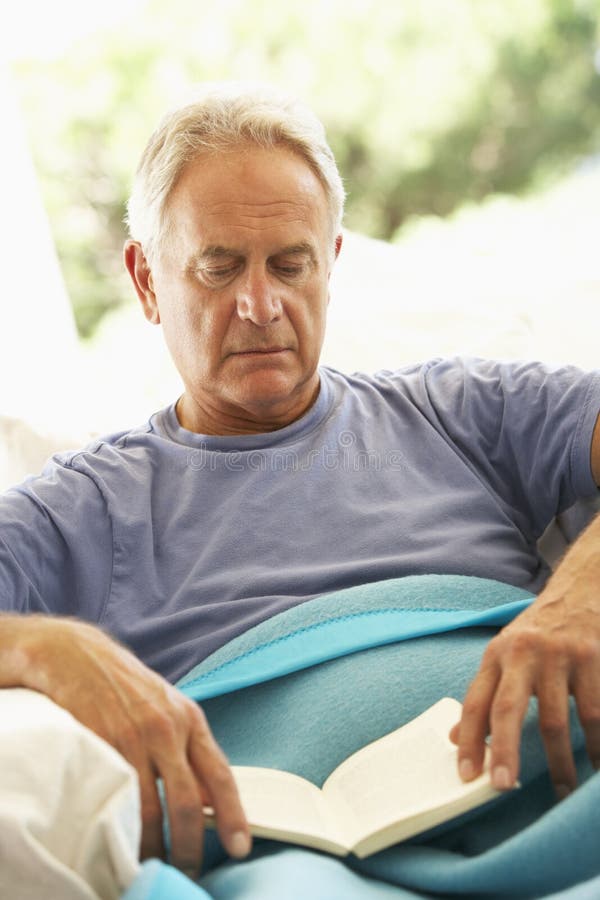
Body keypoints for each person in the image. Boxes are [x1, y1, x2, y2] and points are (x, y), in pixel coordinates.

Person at [0, 82, 599, 884]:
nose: (259, 305)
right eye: (218, 269)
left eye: (290, 265)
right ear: (146, 281)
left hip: (555, 758)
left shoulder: (461, 411)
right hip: (277, 854)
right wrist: (43, 646)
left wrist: (583, 590)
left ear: (332, 264)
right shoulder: (79, 510)